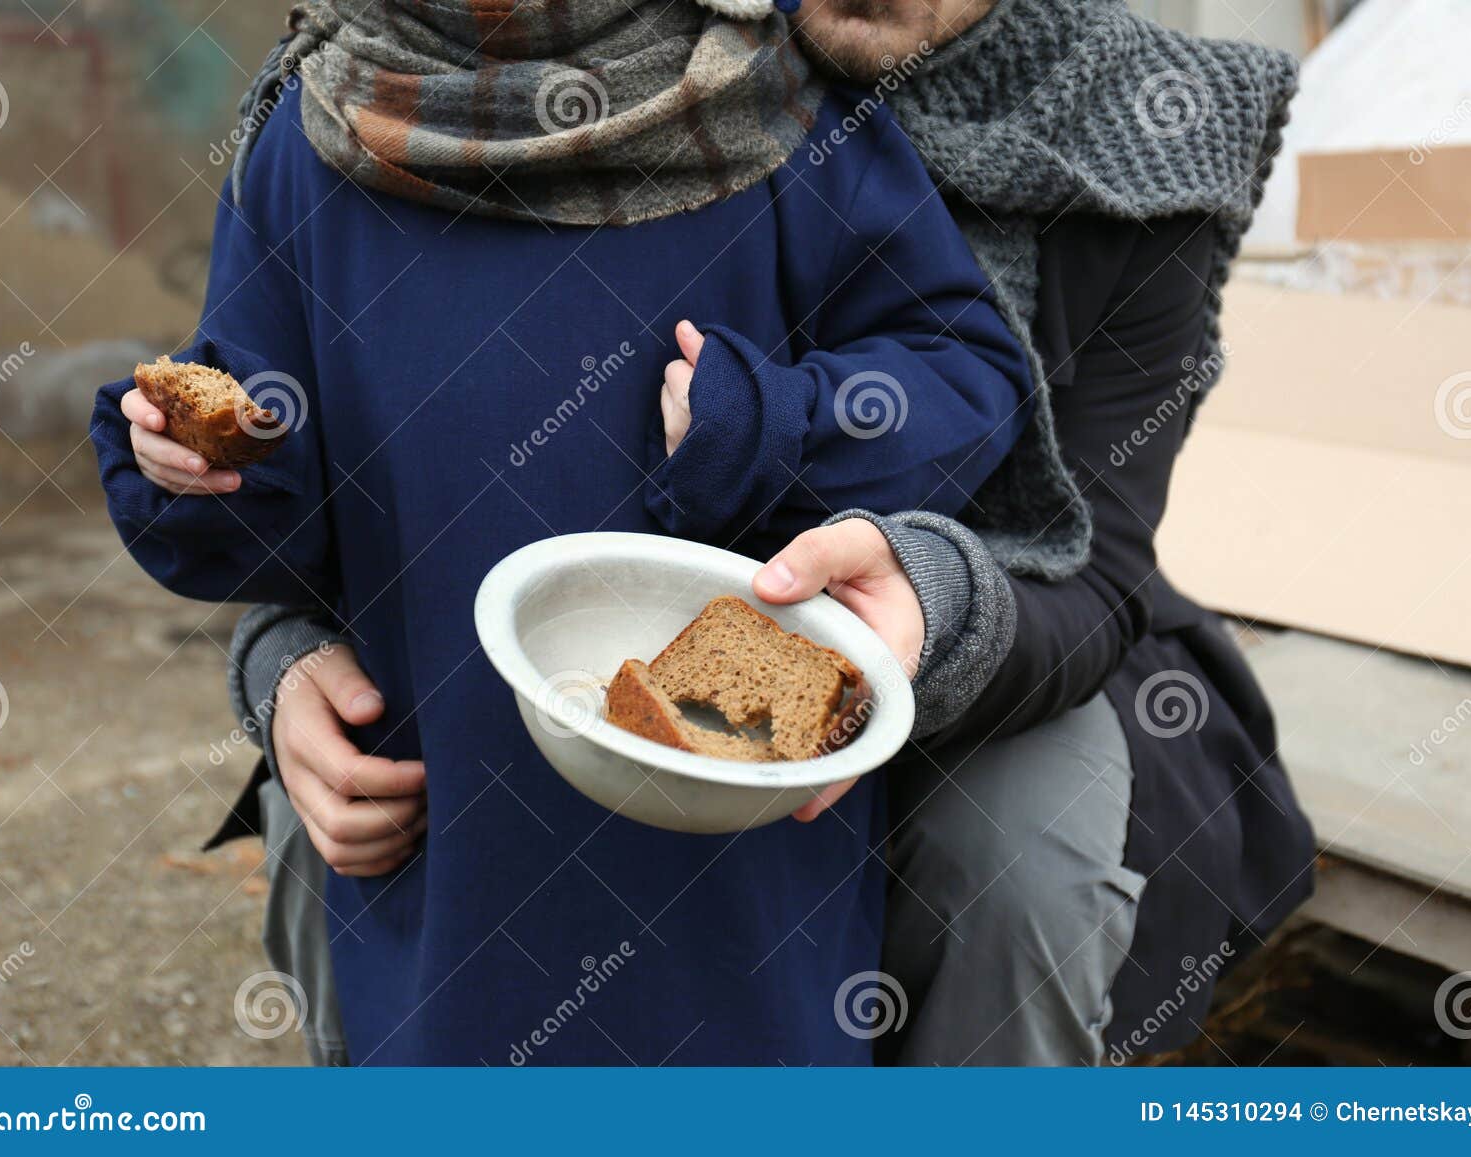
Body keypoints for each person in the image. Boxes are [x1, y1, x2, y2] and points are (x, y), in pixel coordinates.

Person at [224, 0, 1320, 1067]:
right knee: (324, 811)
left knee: (1023, 867)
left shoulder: (1152, 128)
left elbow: (1099, 559)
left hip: (1001, 623)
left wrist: (932, 610)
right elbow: (408, 427)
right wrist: (281, 648)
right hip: (628, 600)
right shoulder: (585, 69)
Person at [91, 0, 1040, 1065]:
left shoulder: (770, 97)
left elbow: (964, 375)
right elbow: (269, 509)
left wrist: (774, 424)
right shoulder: (319, 129)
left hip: (728, 847)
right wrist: (194, 471)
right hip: (443, 829)